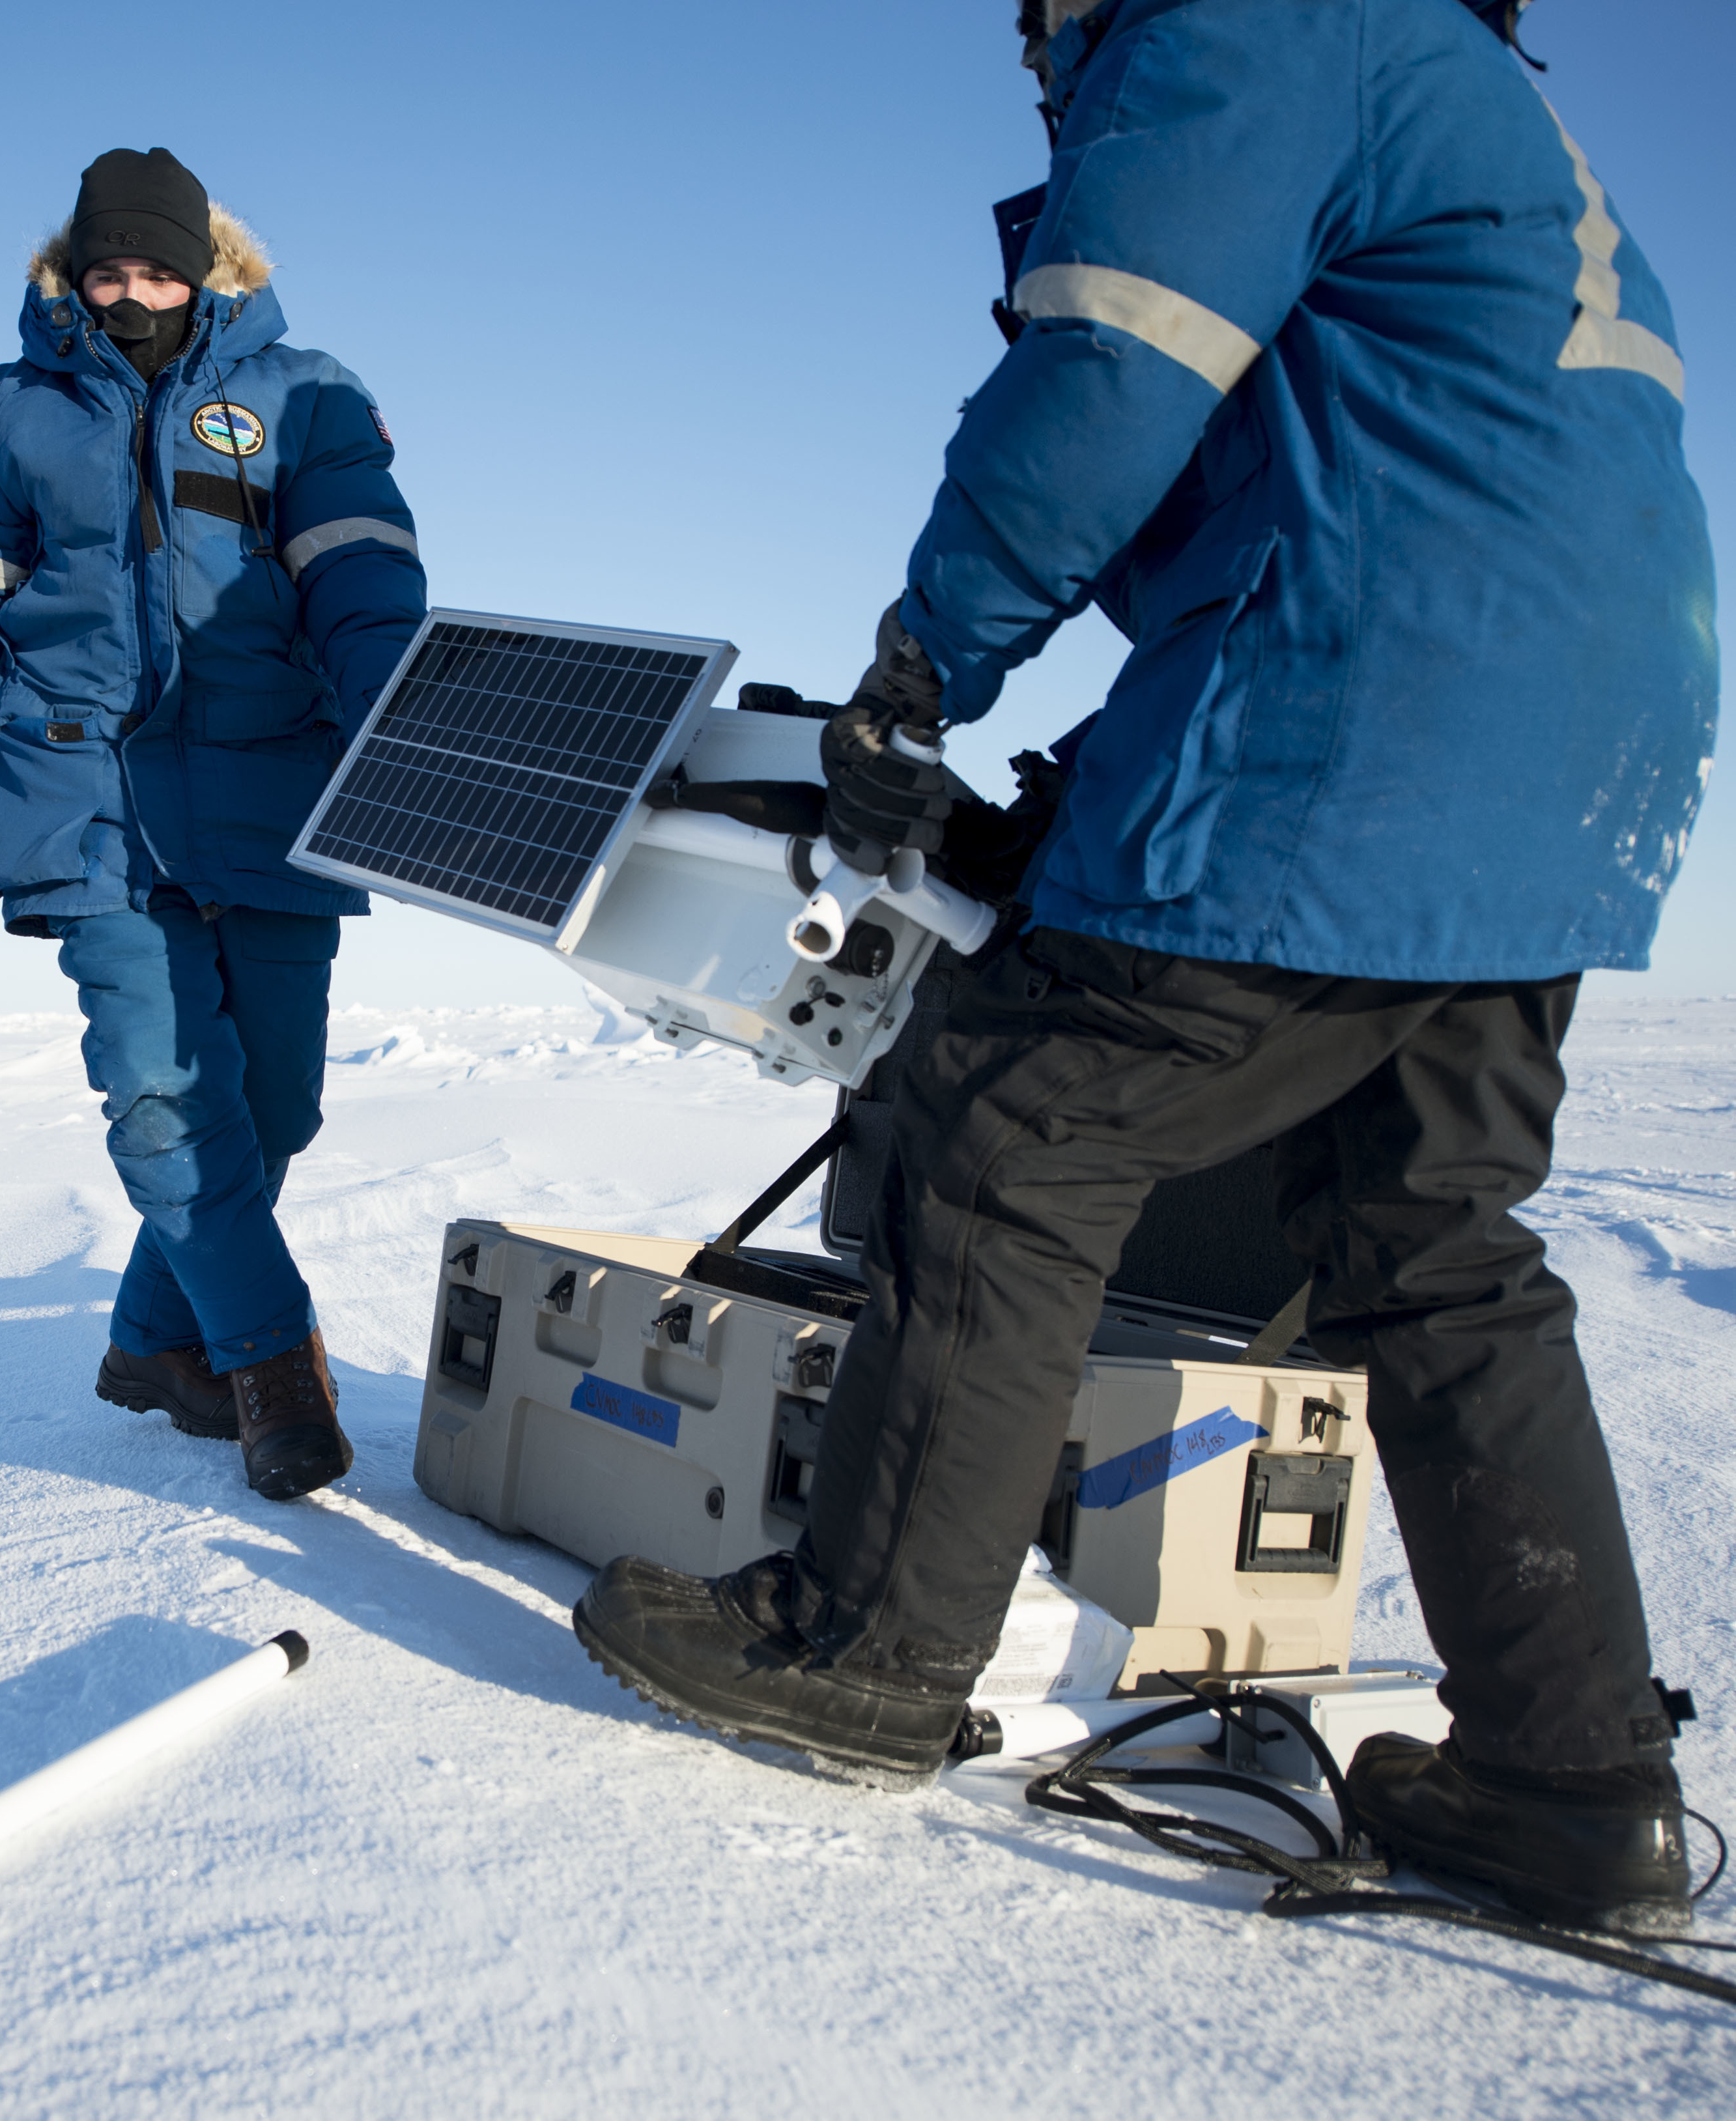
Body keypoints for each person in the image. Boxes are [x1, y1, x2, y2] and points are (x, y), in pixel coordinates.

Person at [574, 0, 1715, 1938]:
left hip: (1376, 719)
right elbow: (1359, 501)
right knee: (1421, 1231)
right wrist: (1085, 803)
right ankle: (1566, 1780)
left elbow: (1114, 369)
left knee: (1002, 1123)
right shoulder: (1448, 86)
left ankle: (864, 1645)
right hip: (1570, 755)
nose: (1034, 36)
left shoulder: (1258, 15)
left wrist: (923, 663)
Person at [0, 149, 426, 1500]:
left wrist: (393, 719)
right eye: (105, 270)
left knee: (273, 1104)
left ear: (206, 266)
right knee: (165, 1093)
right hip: (83, 796)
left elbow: (359, 574)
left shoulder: (307, 396)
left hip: (270, 791)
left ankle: (143, 1339)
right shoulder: (8, 410)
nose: (130, 294)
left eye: (155, 269)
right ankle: (268, 1361)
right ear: (73, 272)